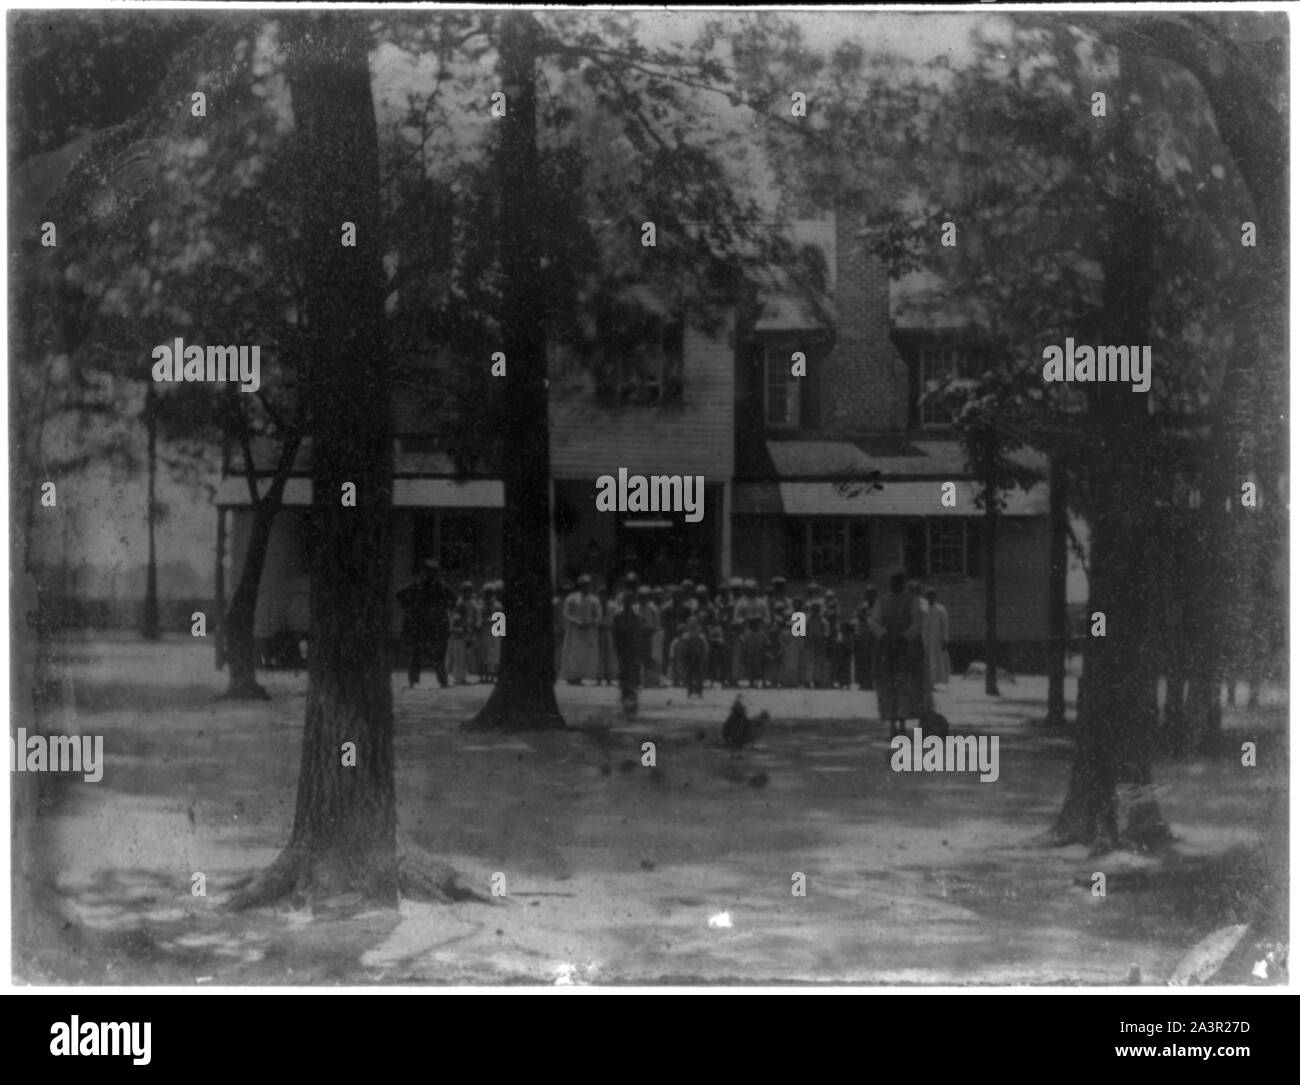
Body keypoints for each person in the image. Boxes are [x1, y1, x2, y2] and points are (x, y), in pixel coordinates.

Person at [869, 571, 926, 737]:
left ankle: (902, 724)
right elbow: (874, 621)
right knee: (888, 686)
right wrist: (884, 634)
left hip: (906, 648)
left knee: (904, 686)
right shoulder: (883, 601)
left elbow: (918, 623)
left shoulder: (912, 601)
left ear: (903, 584)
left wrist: (904, 637)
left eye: (898, 583)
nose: (894, 586)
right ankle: (892, 725)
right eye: (892, 582)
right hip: (887, 647)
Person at [397, 559, 456, 688]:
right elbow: (400, 594)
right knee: (417, 653)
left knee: (438, 654)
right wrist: (410, 609)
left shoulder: (441, 586)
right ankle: (413, 680)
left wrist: (445, 610)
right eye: (429, 571)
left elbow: (454, 599)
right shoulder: (419, 585)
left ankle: (442, 681)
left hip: (435, 625)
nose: (431, 574)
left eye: (433, 571)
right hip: (422, 624)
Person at [561, 574, 601, 683]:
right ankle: (573, 677)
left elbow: (598, 615)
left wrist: (590, 623)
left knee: (587, 653)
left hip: (588, 631)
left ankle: (585, 675)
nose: (586, 586)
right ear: (580, 585)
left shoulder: (594, 599)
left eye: (587, 584)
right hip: (574, 631)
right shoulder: (571, 598)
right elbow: (566, 613)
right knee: (574, 653)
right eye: (583, 584)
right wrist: (577, 622)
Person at [612, 590, 642, 712]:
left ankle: (633, 706)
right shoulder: (618, 616)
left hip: (633, 648)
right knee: (624, 676)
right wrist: (617, 648)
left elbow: (638, 634)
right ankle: (626, 705)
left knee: (633, 676)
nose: (628, 604)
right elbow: (615, 634)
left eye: (630, 601)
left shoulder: (636, 617)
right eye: (626, 602)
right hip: (623, 648)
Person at [923, 586, 951, 687]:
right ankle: (927, 683)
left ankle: (934, 682)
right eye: (928, 596)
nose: (930, 598)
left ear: (935, 597)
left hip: (937, 639)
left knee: (937, 661)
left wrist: (945, 639)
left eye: (932, 596)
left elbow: (945, 625)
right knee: (927, 660)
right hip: (925, 639)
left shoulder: (941, 609)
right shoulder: (922, 609)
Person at [678, 616, 710, 698]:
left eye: (694, 625)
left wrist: (704, 658)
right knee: (689, 675)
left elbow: (705, 648)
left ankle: (699, 691)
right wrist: (682, 659)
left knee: (699, 675)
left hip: (698, 658)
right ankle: (690, 691)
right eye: (691, 625)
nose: (692, 627)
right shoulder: (685, 636)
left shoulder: (701, 637)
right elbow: (682, 650)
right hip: (688, 658)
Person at [855, 587, 878, 690]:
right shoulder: (862, 607)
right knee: (863, 660)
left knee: (875, 660)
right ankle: (864, 682)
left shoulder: (879, 606)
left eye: (872, 594)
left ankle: (874, 682)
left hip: (876, 636)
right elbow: (858, 618)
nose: (870, 596)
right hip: (864, 635)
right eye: (868, 594)